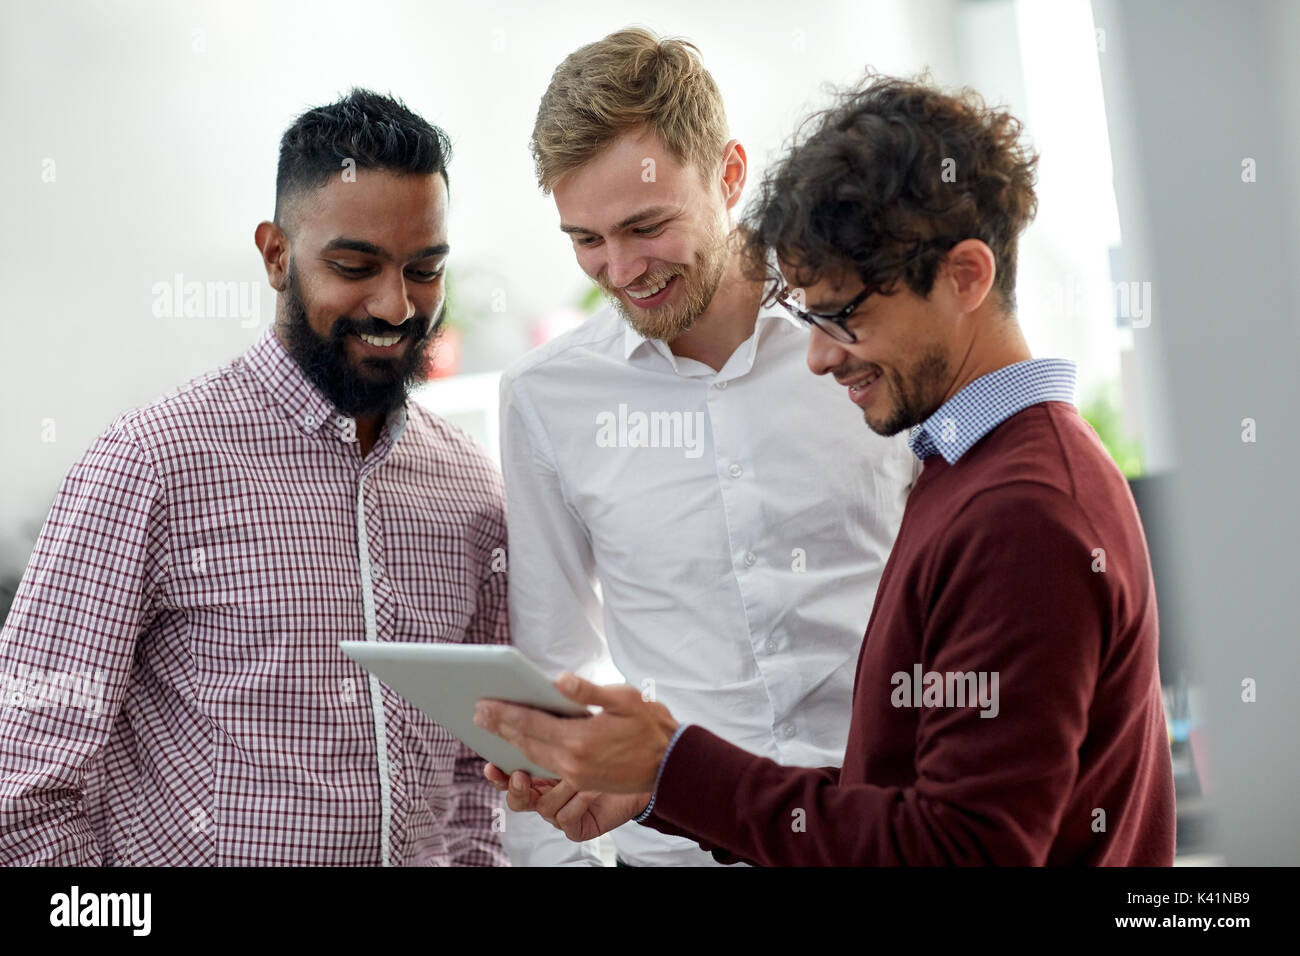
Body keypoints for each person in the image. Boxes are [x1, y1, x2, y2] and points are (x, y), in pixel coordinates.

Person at [477, 73, 1177, 866]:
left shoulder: (1021, 510)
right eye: (588, 239)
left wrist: (671, 770)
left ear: (966, 278)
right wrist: (657, 784)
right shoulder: (969, 464)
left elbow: (960, 847)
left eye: (842, 317)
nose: (816, 356)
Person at [0, 89, 509, 866]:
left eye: (424, 269)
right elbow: (26, 787)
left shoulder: (471, 489)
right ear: (276, 254)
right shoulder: (150, 464)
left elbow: (481, 765)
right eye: (355, 265)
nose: (396, 304)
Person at [495, 29, 917, 865]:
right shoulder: (545, 398)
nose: (620, 269)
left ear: (728, 175)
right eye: (585, 239)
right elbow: (553, 673)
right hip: (679, 852)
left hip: (883, 834)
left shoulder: (864, 338)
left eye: (645, 225)